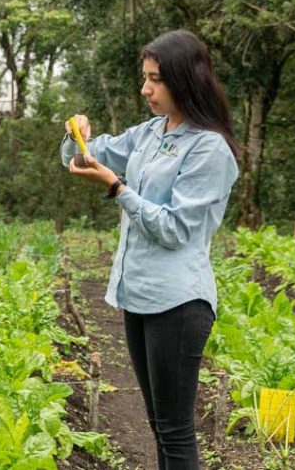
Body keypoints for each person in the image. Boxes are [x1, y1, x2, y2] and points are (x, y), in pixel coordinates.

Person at [62, 29, 239, 470]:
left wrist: (117, 187)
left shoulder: (209, 149)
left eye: (156, 79)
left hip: (178, 303)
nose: (146, 89)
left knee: (176, 432)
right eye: (145, 77)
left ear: (186, 80)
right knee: (158, 425)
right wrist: (76, 133)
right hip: (139, 296)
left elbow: (176, 229)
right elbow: (86, 156)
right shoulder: (151, 132)